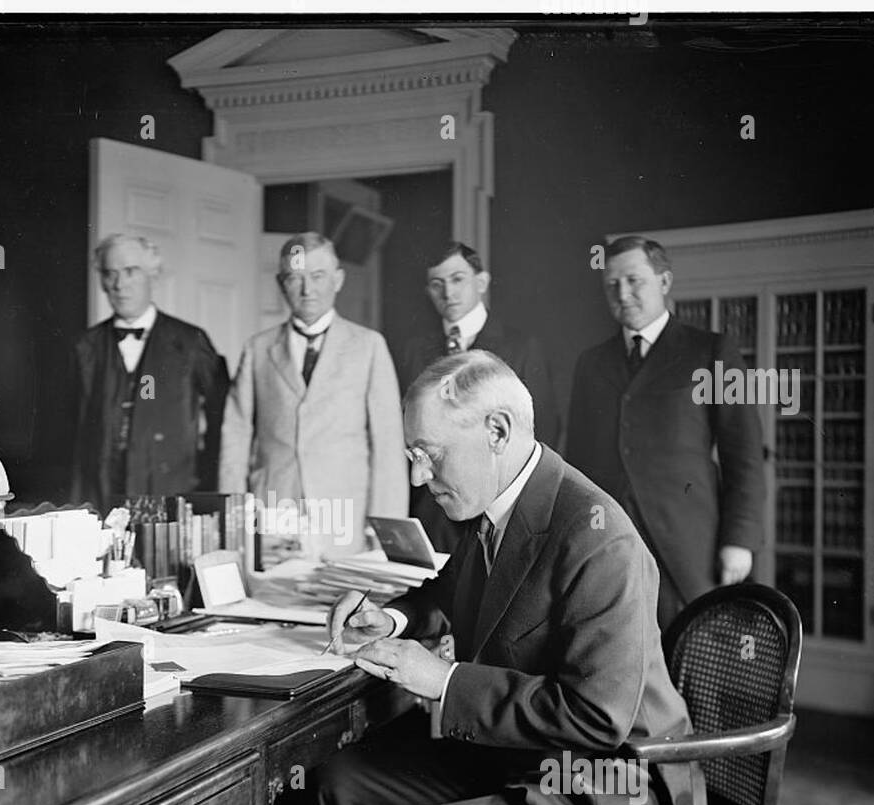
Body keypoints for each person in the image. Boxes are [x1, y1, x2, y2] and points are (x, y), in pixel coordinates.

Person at [315, 349, 699, 805]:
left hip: (605, 794)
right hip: (520, 758)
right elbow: (460, 590)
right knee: (339, 787)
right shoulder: (498, 499)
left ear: (496, 431)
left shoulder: (599, 537)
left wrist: (443, 679)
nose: (418, 471)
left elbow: (598, 717)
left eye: (429, 452)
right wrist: (396, 613)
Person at [565, 235, 765, 628]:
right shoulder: (591, 363)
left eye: (634, 280)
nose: (622, 293)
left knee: (692, 669)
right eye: (611, 284)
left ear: (665, 282)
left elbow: (744, 454)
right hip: (611, 549)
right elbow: (577, 467)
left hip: (688, 551)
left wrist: (739, 541)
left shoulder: (710, 351)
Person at [218, 232, 407, 557]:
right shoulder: (258, 349)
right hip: (276, 511)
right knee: (275, 602)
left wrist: (385, 527)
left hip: (345, 518)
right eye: (295, 278)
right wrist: (233, 521)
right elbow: (234, 439)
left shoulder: (368, 346)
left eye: (318, 276)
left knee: (345, 603)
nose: (308, 290)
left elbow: (388, 447)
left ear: (338, 279)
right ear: (281, 283)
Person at [399, 242, 561, 555]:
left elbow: (542, 432)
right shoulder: (415, 349)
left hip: (499, 506)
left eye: (458, 279)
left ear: (482, 282)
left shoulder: (522, 346)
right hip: (435, 511)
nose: (448, 293)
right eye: (437, 284)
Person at [70, 233, 229, 511]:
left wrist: (206, 484)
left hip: (172, 490)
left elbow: (224, 419)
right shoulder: (86, 346)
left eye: (131, 272)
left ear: (153, 275)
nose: (120, 285)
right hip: (101, 492)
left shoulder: (190, 342)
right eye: (110, 274)